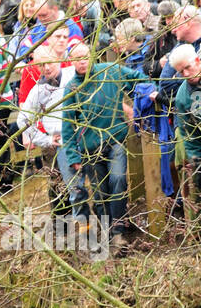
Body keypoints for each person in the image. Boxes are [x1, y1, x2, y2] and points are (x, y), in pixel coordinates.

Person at [60, 41, 148, 250]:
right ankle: (109, 233)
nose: (82, 62)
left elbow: (138, 79)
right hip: (90, 150)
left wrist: (149, 93)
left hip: (115, 139)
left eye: (85, 57)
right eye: (77, 59)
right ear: (71, 62)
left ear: (92, 56)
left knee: (118, 180)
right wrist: (73, 157)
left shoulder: (111, 71)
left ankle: (118, 234)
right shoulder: (72, 89)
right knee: (101, 194)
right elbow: (67, 127)